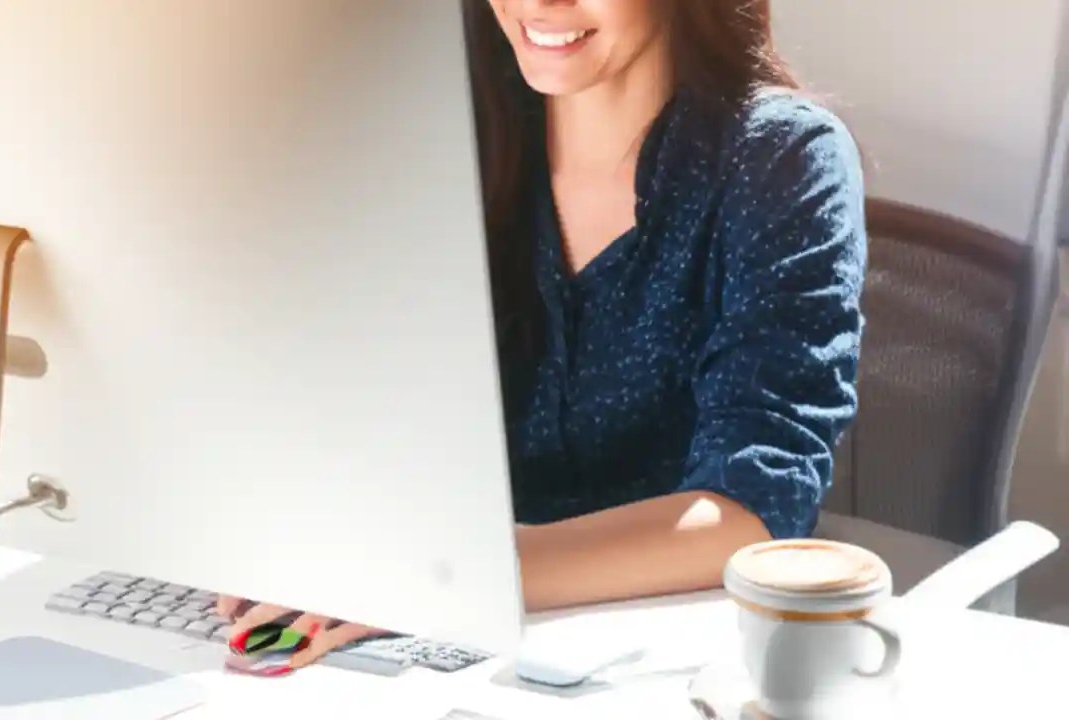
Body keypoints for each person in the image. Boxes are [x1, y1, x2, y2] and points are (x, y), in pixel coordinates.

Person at [217, 0, 866, 667]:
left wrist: (444, 573)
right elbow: (354, 426)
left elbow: (753, 514)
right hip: (424, 640)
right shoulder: (444, 136)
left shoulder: (780, 159)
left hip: (645, 669)